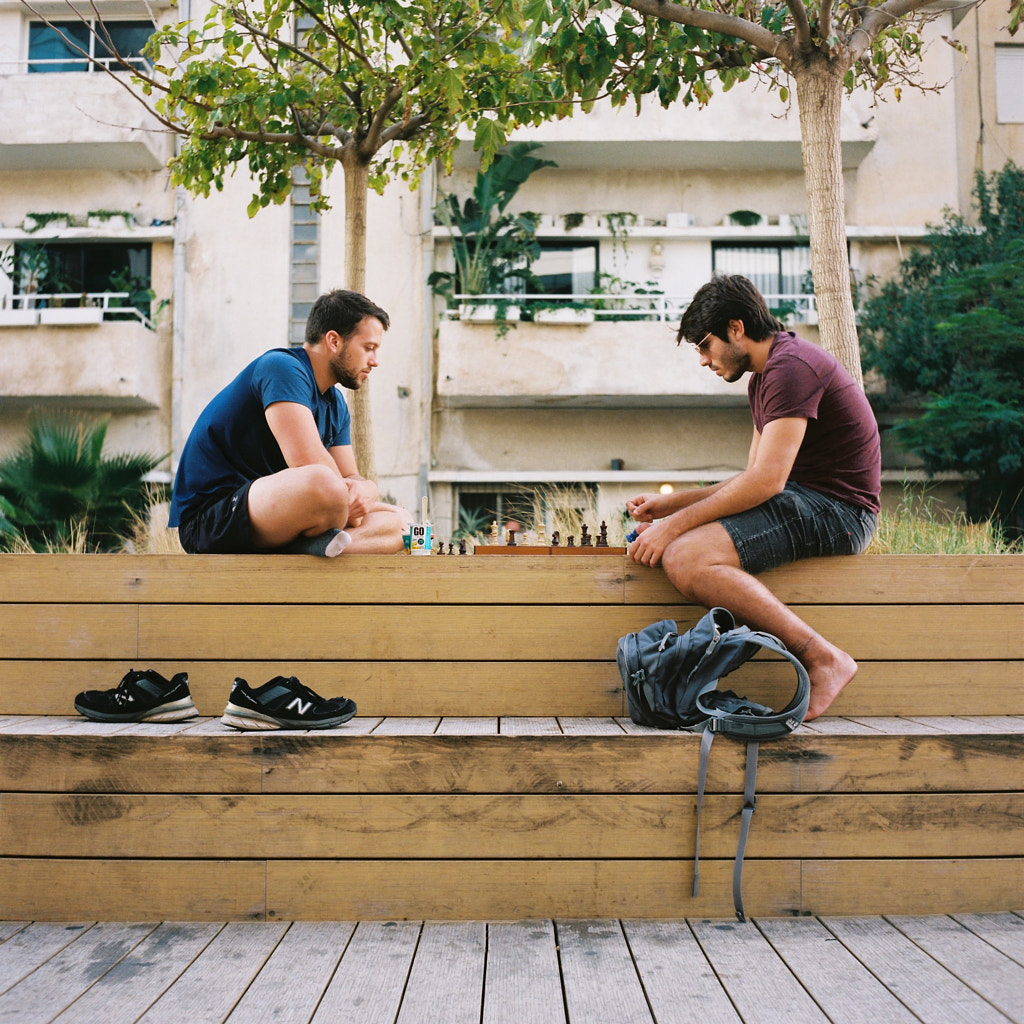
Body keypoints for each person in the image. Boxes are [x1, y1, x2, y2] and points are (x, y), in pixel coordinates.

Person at [626, 274, 880, 720]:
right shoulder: (763, 378)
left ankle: (824, 658)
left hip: (840, 511)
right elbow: (753, 477)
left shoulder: (791, 367)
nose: (703, 360)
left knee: (687, 557)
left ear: (736, 328)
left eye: (705, 345)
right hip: (806, 500)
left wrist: (673, 529)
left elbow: (766, 483)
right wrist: (673, 505)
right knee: (684, 546)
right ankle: (820, 656)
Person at [169, 288, 412, 557]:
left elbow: (349, 479)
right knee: (325, 485)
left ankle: (313, 547)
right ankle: (313, 546)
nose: (375, 361)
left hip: (281, 516)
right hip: (213, 519)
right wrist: (358, 500)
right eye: (368, 348)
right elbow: (314, 469)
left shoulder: (335, 403)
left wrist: (368, 488)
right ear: (334, 341)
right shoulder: (282, 368)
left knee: (402, 524)